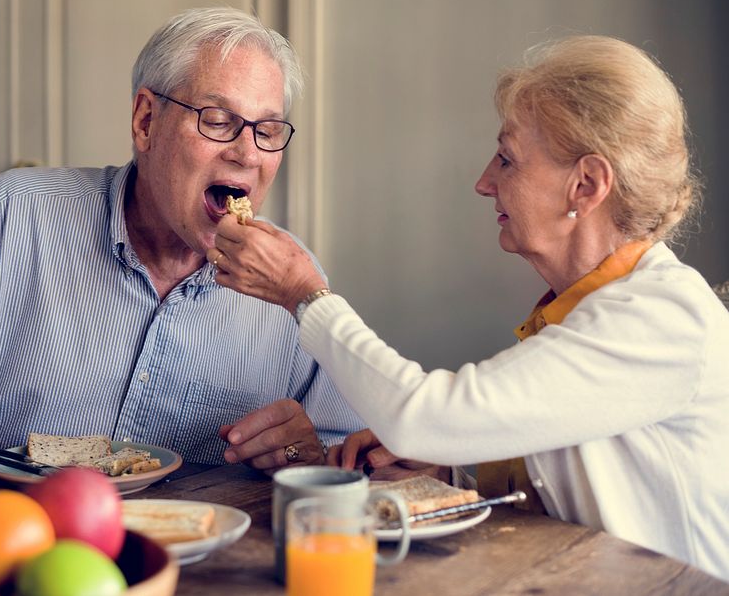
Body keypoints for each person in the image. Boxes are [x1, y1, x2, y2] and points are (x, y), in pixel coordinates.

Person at [210, 35, 729, 579]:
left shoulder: (661, 318)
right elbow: (569, 491)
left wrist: (305, 294)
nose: (484, 182)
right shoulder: (587, 306)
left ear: (587, 184)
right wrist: (444, 467)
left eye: (507, 159)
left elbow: (425, 415)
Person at [0, 7, 363, 488]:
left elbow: (344, 462)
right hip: (1, 548)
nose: (247, 152)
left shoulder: (296, 281)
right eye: (218, 121)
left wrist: (305, 455)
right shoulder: (11, 215)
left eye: (267, 131)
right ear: (146, 121)